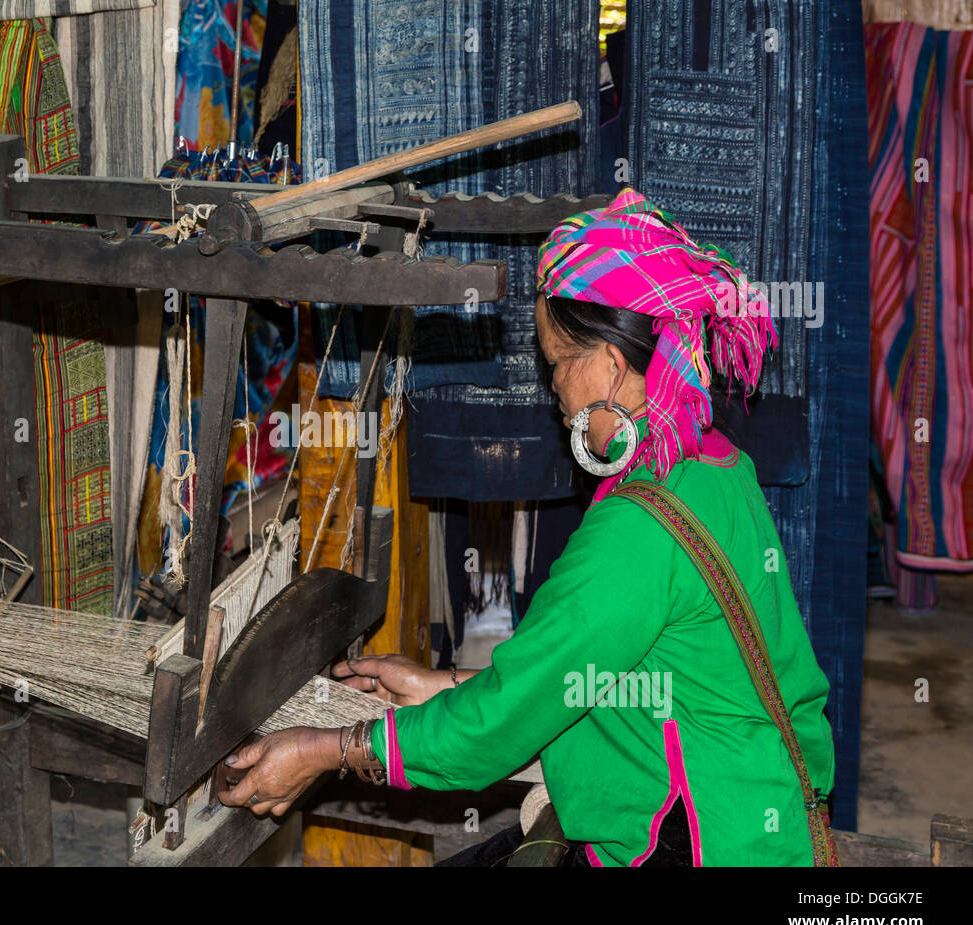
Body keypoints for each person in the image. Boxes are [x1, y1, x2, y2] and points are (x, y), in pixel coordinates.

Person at [217, 187, 837, 867]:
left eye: (556, 365)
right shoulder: (718, 468)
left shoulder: (636, 534)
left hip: (704, 848)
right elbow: (580, 674)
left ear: (608, 363)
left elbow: (502, 727)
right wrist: (442, 684)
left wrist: (324, 750)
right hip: (757, 816)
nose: (555, 391)